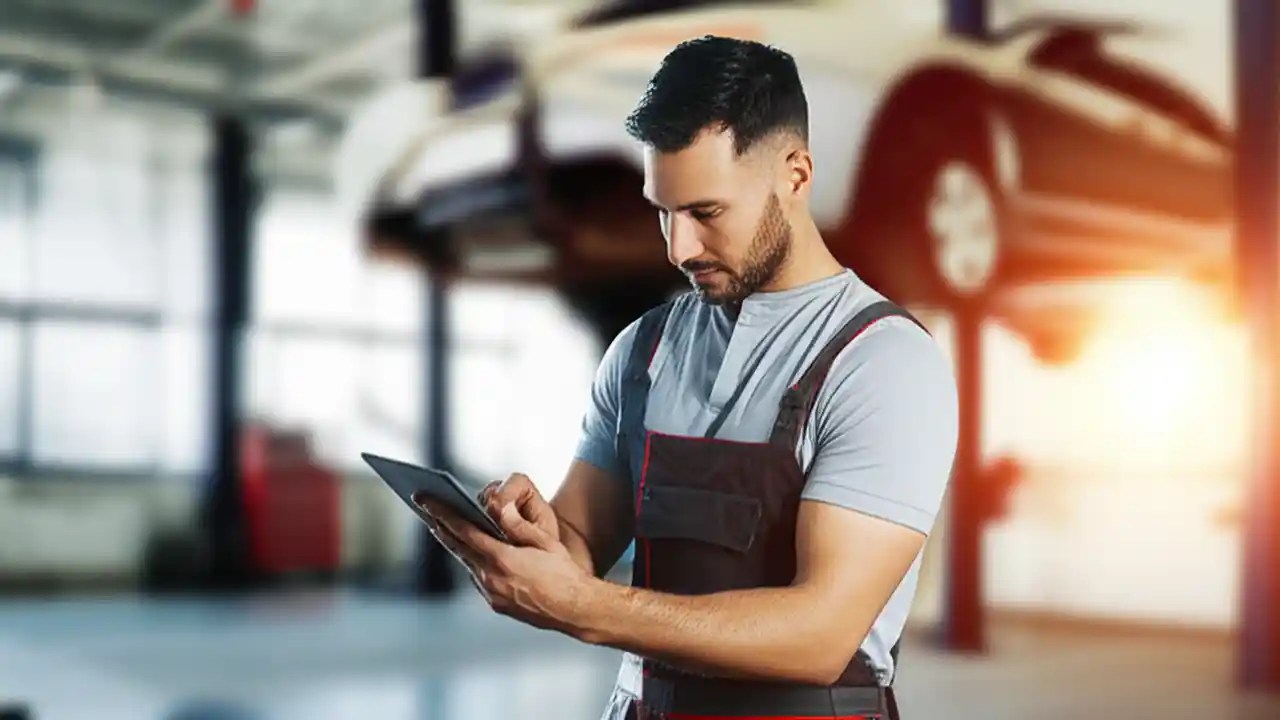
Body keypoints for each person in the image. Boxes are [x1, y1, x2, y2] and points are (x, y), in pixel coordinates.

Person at [415, 35, 959, 720]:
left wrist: (588, 608)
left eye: (706, 212)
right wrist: (535, 538)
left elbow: (821, 634)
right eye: (663, 211)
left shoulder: (884, 365)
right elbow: (582, 543)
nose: (679, 248)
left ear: (795, 175)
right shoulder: (641, 352)